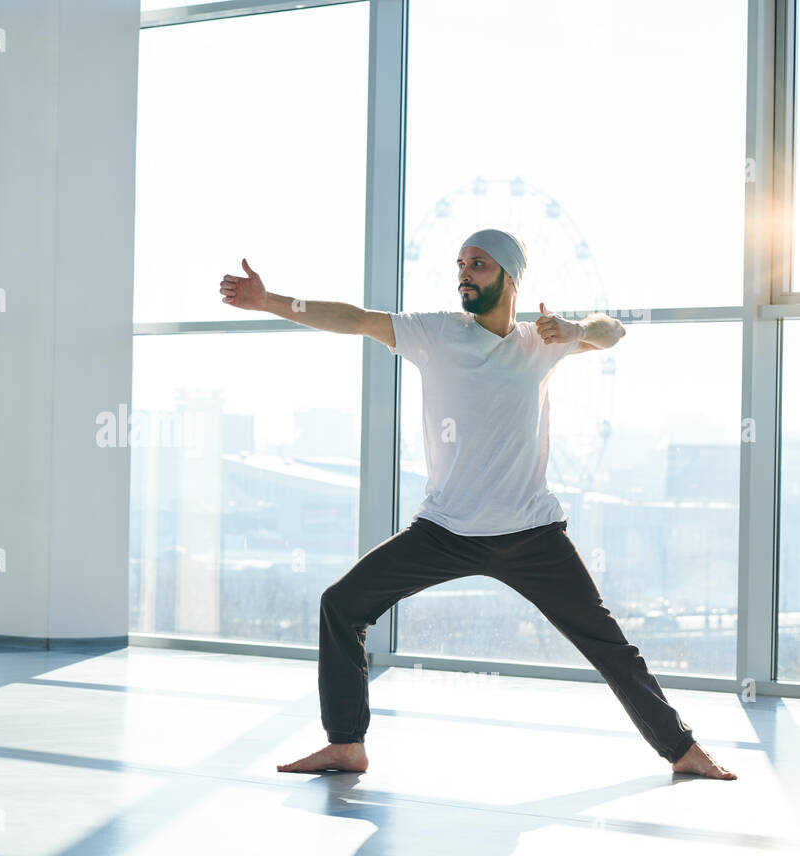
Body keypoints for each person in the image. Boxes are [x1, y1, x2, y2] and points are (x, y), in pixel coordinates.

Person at [218, 227, 736, 780]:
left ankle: (682, 750)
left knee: (609, 646)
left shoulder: (543, 341)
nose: (465, 271)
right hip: (445, 530)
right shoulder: (435, 334)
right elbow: (354, 318)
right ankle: (347, 744)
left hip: (532, 534)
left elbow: (614, 332)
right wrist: (267, 301)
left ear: (510, 278)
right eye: (461, 262)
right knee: (340, 605)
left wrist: (575, 328)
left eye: (480, 263)